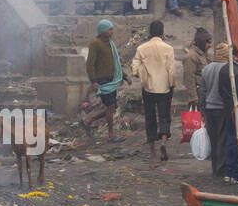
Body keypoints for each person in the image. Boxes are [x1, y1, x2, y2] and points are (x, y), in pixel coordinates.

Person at [131, 19, 177, 162]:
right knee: (164, 117)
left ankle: (152, 152)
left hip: (148, 88)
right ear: (162, 32)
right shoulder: (168, 49)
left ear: (150, 32)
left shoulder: (142, 48)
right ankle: (163, 143)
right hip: (164, 88)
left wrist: (142, 74)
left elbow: (134, 68)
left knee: (150, 118)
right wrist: (172, 85)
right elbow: (171, 70)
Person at [85, 18, 124, 142]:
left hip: (111, 80)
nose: (112, 32)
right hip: (102, 81)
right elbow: (90, 64)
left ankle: (89, 120)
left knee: (111, 108)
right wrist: (94, 81)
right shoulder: (95, 44)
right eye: (110, 29)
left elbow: (116, 62)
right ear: (102, 31)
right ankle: (111, 135)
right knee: (110, 106)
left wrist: (125, 76)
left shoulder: (111, 44)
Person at [216, 47, 238, 182]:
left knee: (231, 139)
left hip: (227, 108)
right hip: (237, 110)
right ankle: (235, 172)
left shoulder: (225, 69)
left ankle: (229, 172)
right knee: (237, 141)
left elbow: (221, 91)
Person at [200, 43, 231, 176]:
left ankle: (214, 167)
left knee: (213, 139)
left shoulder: (206, 69)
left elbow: (203, 91)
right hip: (222, 108)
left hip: (209, 108)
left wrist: (202, 110)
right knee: (222, 139)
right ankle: (220, 168)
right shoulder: (227, 69)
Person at [183, 27, 212, 109]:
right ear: (201, 42)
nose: (210, 45)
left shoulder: (204, 54)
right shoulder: (191, 56)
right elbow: (189, 79)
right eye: (208, 42)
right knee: (197, 120)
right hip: (198, 94)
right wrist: (193, 98)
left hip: (205, 93)